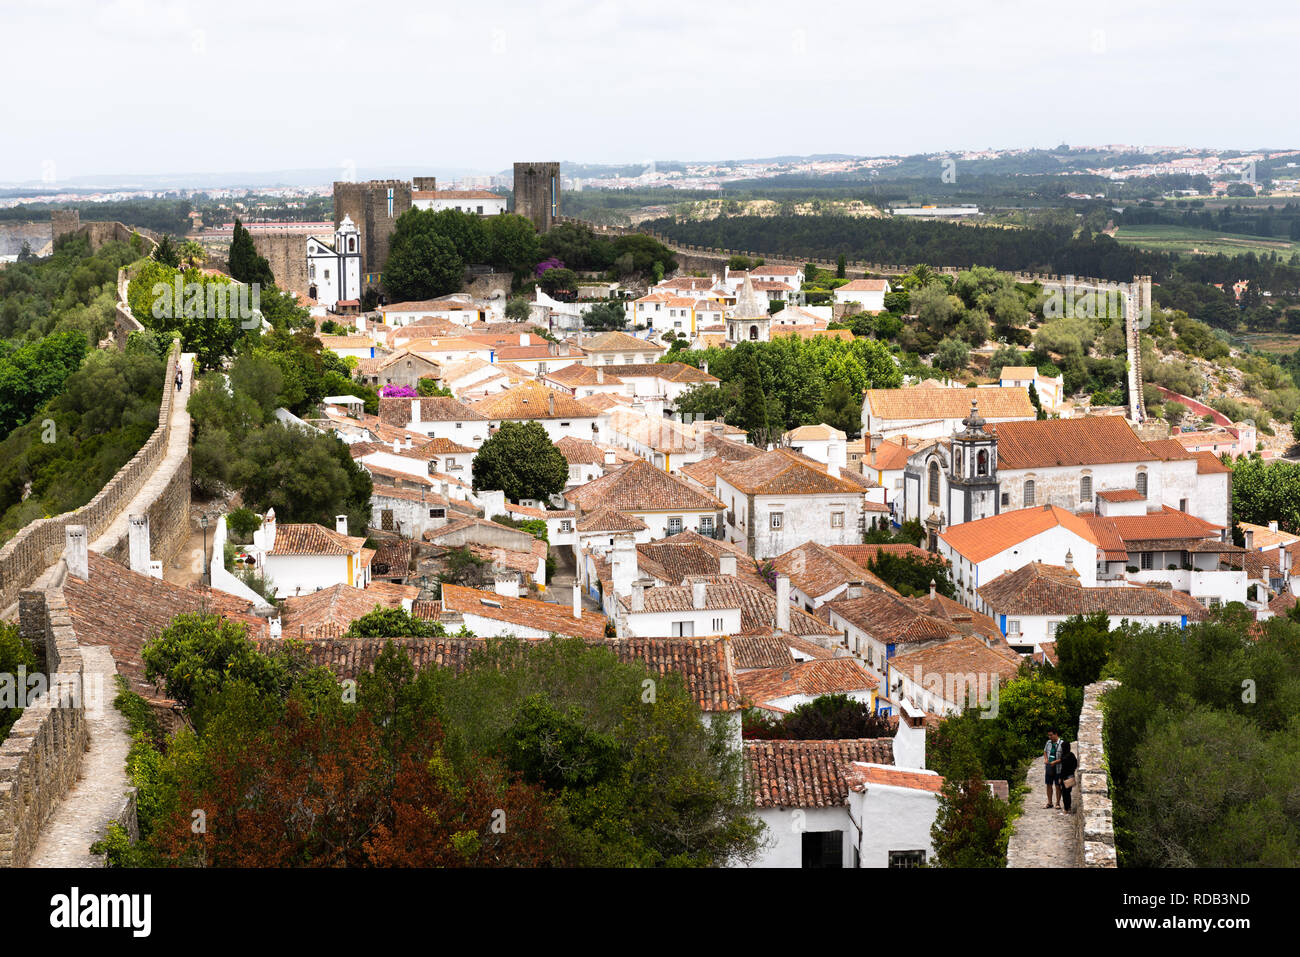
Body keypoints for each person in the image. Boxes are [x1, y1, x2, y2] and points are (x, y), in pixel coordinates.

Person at [1043, 729, 1062, 809]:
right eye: (1049, 735)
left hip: (1058, 768)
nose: (1049, 737)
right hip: (1049, 767)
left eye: (1051, 735)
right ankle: (1050, 802)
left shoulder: (1062, 744)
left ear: (1056, 734)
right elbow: (1045, 751)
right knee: (1049, 785)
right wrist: (1046, 759)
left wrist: (1055, 762)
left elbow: (1064, 757)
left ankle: (1057, 803)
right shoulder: (1048, 743)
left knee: (1058, 785)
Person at [1058, 741, 1078, 814]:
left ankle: (1066, 809)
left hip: (1065, 777)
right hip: (1071, 775)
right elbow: (1076, 764)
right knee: (1068, 793)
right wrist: (1072, 770)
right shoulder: (1072, 755)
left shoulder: (1064, 757)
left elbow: (1063, 769)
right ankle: (1068, 807)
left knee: (1065, 793)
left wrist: (1060, 778)